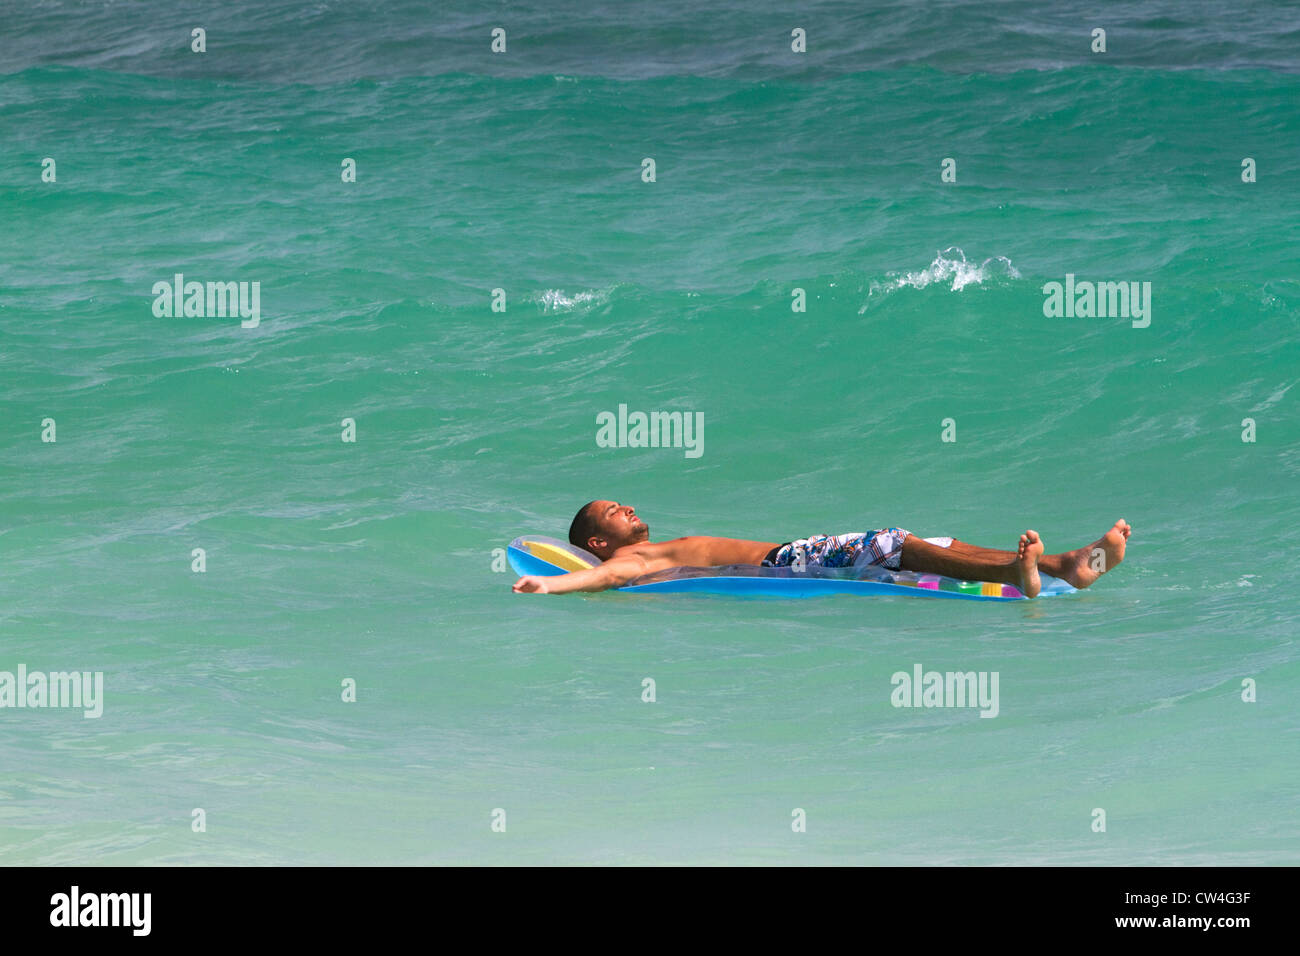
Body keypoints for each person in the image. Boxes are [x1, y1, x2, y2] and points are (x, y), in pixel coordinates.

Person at [511, 500, 1131, 599]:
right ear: (599, 541)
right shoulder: (631, 560)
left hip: (794, 552)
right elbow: (602, 582)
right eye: (614, 513)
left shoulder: (656, 545)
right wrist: (552, 584)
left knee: (932, 543)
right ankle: (1040, 569)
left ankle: (1057, 567)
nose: (629, 509)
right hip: (789, 561)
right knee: (893, 544)